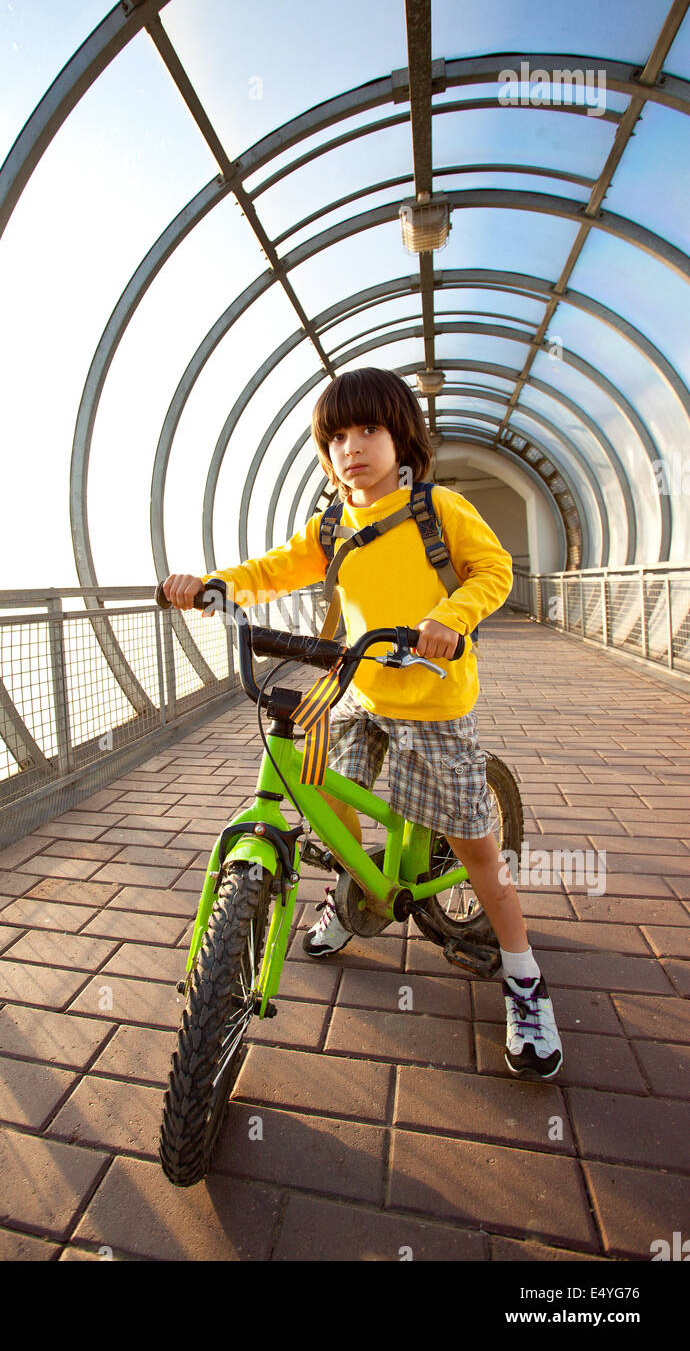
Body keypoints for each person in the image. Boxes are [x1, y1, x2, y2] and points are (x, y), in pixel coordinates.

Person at [162, 366, 562, 1081]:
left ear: (400, 436)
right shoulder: (331, 525)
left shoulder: (440, 509)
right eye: (336, 436)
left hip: (435, 705)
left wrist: (448, 618)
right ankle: (353, 901)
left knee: (478, 854)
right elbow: (275, 569)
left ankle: (525, 979)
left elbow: (493, 571)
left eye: (369, 429)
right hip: (358, 692)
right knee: (331, 804)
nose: (352, 447)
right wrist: (214, 585)